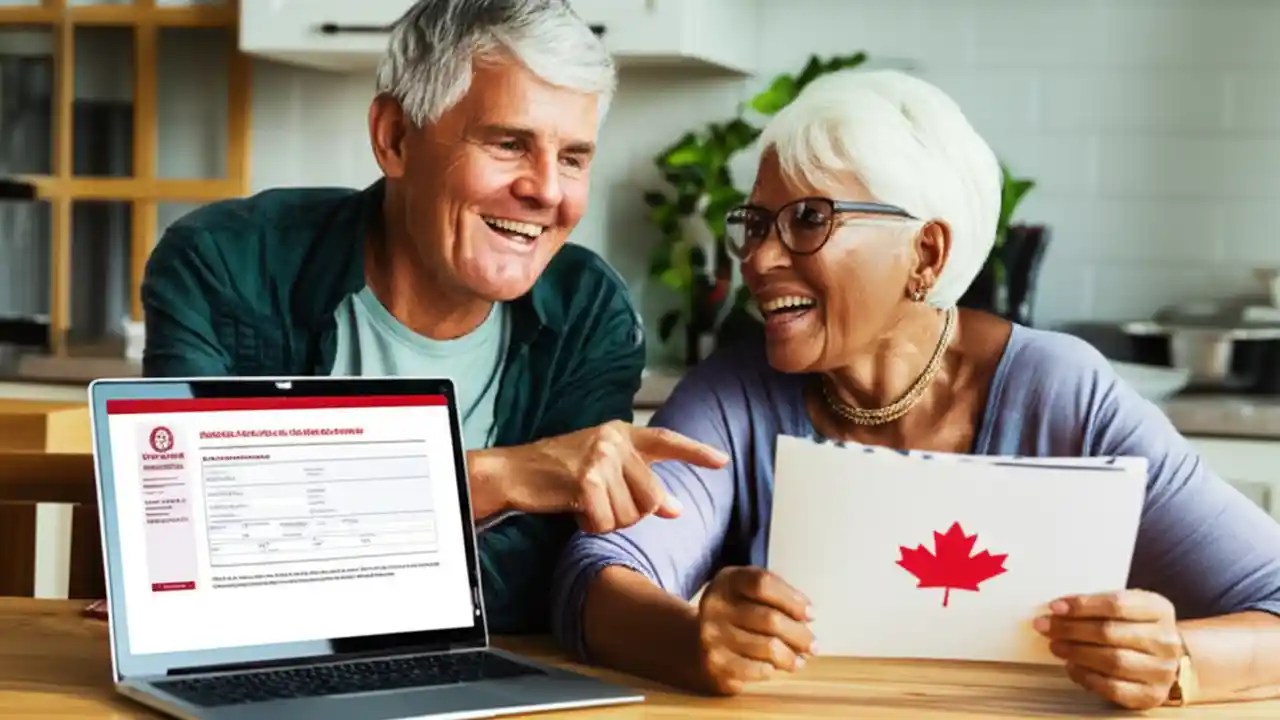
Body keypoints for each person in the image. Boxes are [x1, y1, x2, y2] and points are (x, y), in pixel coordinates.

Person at [550, 69, 1280, 710]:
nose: (760, 258)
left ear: (925, 254)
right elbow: (594, 579)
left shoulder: (1064, 394)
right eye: (757, 223)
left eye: (809, 219)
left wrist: (1177, 662)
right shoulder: (735, 395)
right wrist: (691, 639)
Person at [139, 0, 726, 634]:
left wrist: (284, 547)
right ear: (394, 138)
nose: (547, 190)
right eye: (508, 144)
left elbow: (532, 584)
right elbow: (189, 541)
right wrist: (497, 475)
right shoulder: (224, 263)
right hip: (254, 671)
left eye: (573, 158)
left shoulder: (590, 314)